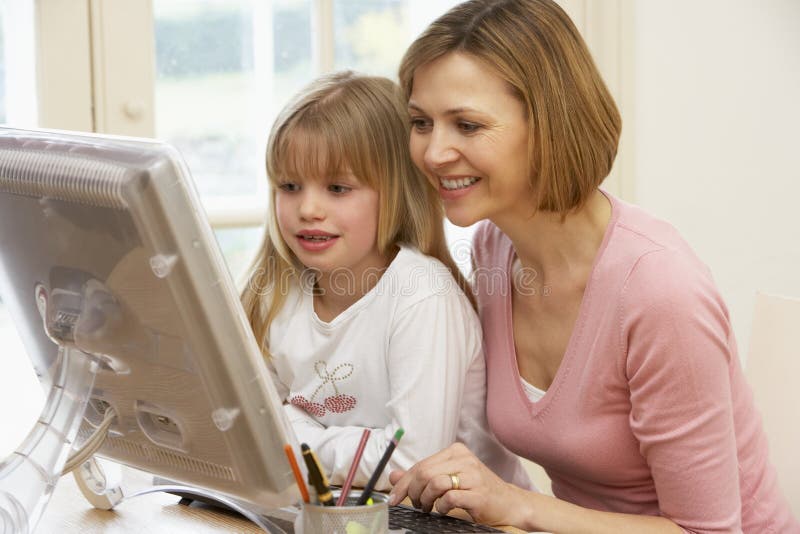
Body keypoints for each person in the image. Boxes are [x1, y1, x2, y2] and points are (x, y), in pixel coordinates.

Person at [387, 1, 799, 532]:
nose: (433, 152)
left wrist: (518, 505)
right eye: (421, 123)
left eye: (467, 125)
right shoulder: (495, 247)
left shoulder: (659, 291)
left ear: (550, 124)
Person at [240, 71, 530, 492]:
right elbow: (249, 431)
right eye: (289, 186)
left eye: (338, 188)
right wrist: (290, 438)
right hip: (355, 507)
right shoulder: (276, 294)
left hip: (469, 519)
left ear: (394, 190)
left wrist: (296, 437)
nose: (308, 208)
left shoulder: (422, 297)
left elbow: (410, 460)